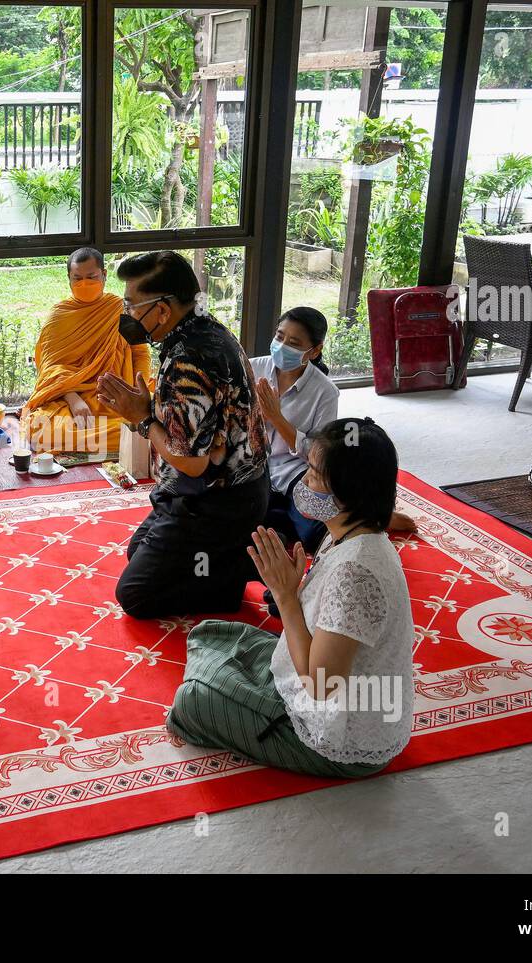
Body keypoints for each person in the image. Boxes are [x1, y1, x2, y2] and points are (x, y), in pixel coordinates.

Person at [167, 418, 415, 778]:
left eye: (313, 474)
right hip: (336, 689)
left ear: (345, 492)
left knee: (191, 703)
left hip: (343, 739)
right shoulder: (352, 534)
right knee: (211, 634)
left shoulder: (358, 570)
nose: (303, 482)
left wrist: (286, 596)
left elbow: (321, 685)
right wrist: (294, 590)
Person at [96, 251, 268, 618]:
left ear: (162, 309)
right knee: (137, 552)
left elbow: (191, 463)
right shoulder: (203, 328)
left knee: (136, 596)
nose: (125, 313)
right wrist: (150, 411)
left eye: (131, 304)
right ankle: (226, 557)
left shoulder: (189, 357)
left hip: (218, 501)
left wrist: (142, 420)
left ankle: (233, 572)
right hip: (221, 491)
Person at [22, 248, 151, 455]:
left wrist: (138, 393)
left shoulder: (120, 309)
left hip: (115, 395)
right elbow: (49, 368)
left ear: (104, 275)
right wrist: (74, 399)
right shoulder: (59, 315)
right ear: (69, 279)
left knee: (150, 421)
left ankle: (135, 432)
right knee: (41, 432)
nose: (85, 284)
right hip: (68, 397)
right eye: (78, 278)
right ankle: (134, 435)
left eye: (91, 277)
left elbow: (140, 354)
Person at [249, 306, 339, 553]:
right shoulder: (251, 369)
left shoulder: (325, 392)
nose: (282, 346)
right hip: (250, 467)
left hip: (295, 472)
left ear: (315, 350)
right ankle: (275, 518)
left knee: (313, 536)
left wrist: (276, 418)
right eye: (279, 337)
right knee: (228, 519)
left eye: (294, 342)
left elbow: (318, 453)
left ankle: (276, 517)